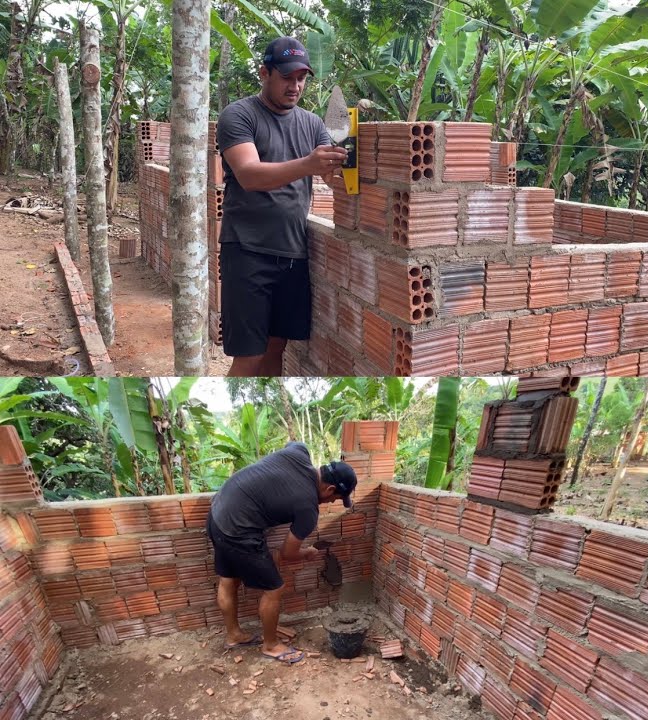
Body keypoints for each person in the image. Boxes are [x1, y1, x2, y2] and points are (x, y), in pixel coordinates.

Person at [216, 37, 349, 376]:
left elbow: (331, 177)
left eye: (301, 78)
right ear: (265, 73)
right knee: (249, 355)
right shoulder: (239, 115)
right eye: (287, 78)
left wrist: (351, 165)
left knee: (277, 347)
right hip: (247, 251)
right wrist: (308, 164)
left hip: (293, 253)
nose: (295, 86)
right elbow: (249, 174)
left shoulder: (312, 123)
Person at [205, 441, 358, 664]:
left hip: (218, 513)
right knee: (274, 589)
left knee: (229, 580)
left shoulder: (299, 452)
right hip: (239, 529)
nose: (330, 503)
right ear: (330, 489)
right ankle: (271, 645)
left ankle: (234, 635)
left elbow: (291, 444)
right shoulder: (308, 509)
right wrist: (306, 553)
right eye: (334, 499)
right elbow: (288, 553)